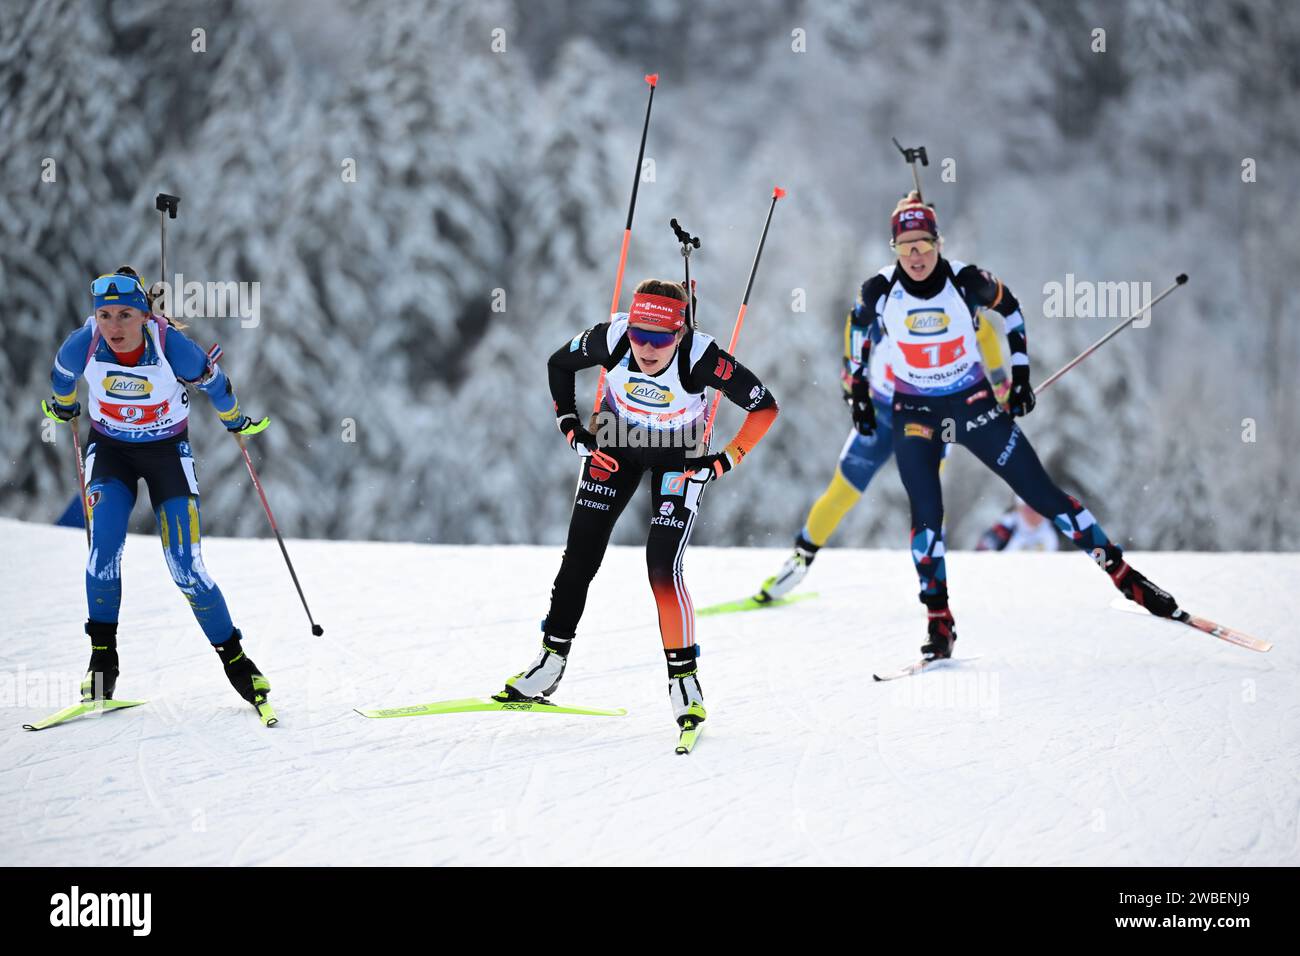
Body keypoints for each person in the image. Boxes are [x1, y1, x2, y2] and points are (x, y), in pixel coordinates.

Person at [849, 194, 1179, 660]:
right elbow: (858, 331)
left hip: (972, 404)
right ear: (894, 249)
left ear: (938, 243)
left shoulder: (967, 282)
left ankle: (1126, 577)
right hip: (916, 412)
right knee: (926, 515)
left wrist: (1020, 375)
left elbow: (1013, 311)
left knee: (1042, 495)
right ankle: (939, 620)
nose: (916, 257)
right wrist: (857, 391)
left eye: (923, 244)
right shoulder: (878, 291)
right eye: (906, 248)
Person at [498, 279, 779, 730]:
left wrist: (722, 462)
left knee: (661, 566)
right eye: (639, 335)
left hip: (680, 455)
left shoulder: (700, 358)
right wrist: (571, 427)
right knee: (580, 556)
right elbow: (558, 363)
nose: (647, 348)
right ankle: (549, 663)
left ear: (680, 334)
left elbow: (764, 407)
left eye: (660, 338)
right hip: (615, 442)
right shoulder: (612, 337)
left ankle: (685, 682)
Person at [42, 268, 274, 717]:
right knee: (103, 550)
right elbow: (61, 379)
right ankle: (102, 660)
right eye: (105, 315)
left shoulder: (170, 347)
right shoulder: (83, 343)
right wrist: (64, 406)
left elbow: (217, 384)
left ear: (145, 315)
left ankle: (238, 662)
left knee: (185, 565)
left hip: (167, 453)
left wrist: (235, 420)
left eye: (125, 315)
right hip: (110, 452)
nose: (114, 327)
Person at [756, 258, 1010, 602]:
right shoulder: (887, 303)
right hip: (880, 413)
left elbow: (988, 332)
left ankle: (935, 588)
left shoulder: (951, 306)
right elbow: (853, 326)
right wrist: (852, 379)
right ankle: (797, 563)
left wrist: (1000, 383)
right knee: (842, 491)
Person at [976, 497, 1060, 552]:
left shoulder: (1057, 524)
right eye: (1029, 510)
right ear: (1018, 509)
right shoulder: (1003, 529)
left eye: (1039, 509)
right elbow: (979, 558)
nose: (1034, 514)